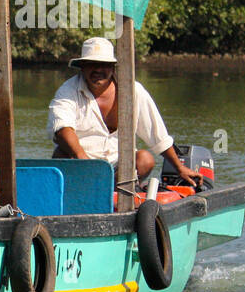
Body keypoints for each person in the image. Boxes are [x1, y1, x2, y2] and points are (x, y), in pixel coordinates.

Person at [48, 37, 201, 188]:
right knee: (61, 153)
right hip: (80, 165)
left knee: (145, 159)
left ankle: (114, 192)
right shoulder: (67, 91)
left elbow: (158, 136)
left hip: (119, 167)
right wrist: (84, 160)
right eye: (91, 64)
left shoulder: (133, 91)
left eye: (104, 65)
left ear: (113, 68)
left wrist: (179, 168)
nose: (97, 70)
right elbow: (62, 129)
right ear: (82, 67)